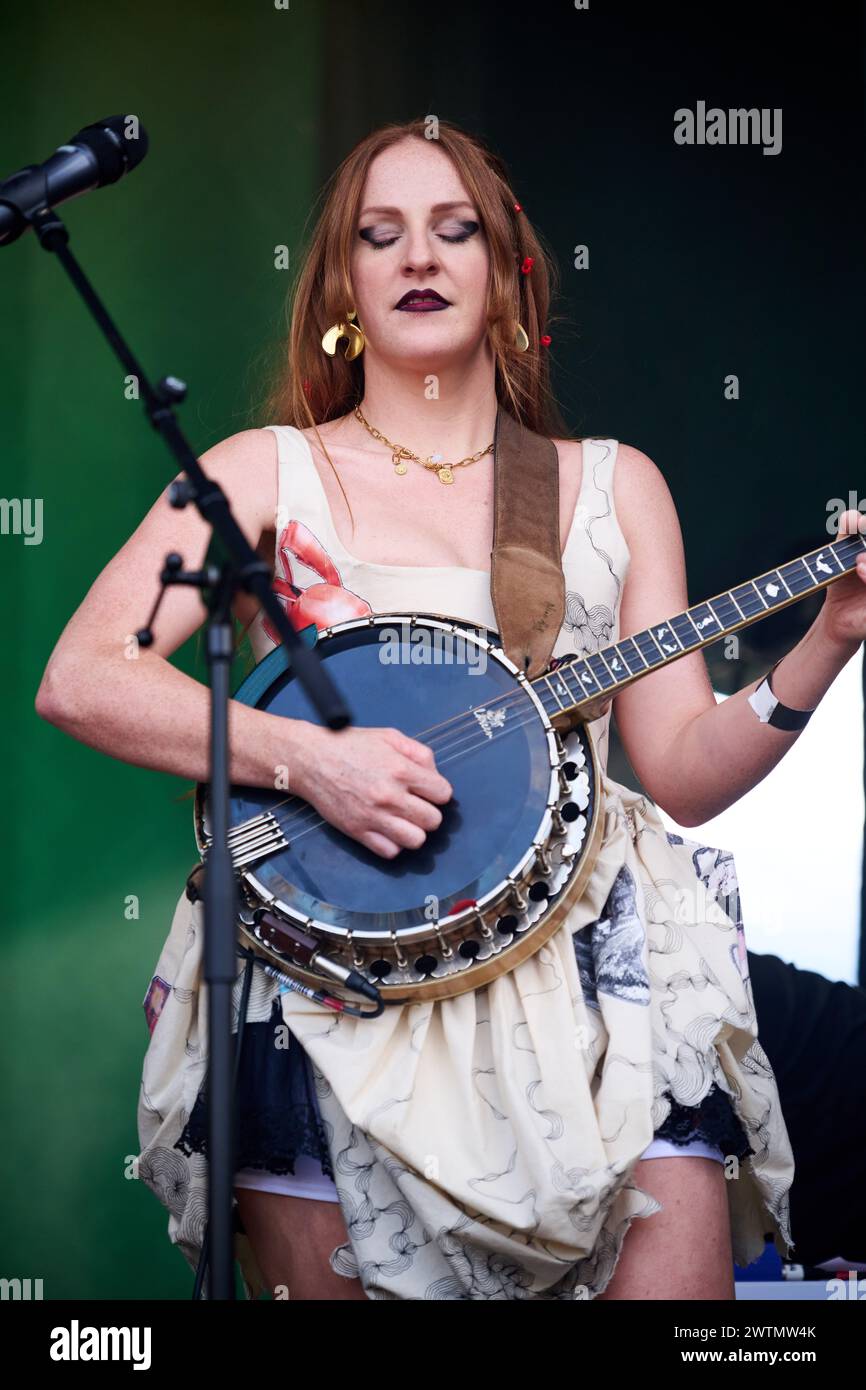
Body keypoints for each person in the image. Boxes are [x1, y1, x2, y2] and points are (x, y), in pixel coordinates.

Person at [35, 117, 866, 1301]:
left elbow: (677, 767)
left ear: (506, 272)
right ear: (342, 289)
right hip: (336, 975)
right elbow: (83, 674)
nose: (417, 256)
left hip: (597, 988)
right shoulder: (262, 473)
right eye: (380, 236)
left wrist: (828, 639)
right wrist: (304, 761)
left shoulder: (609, 486)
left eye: (452, 229)